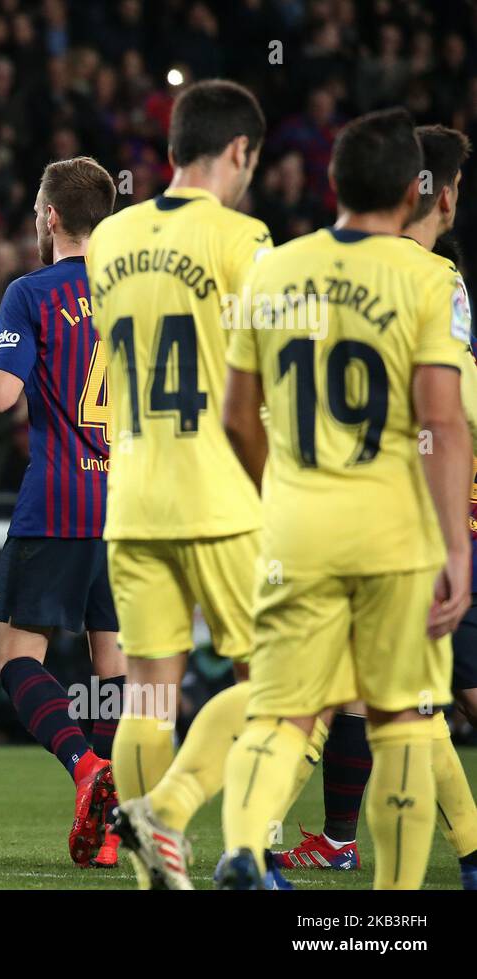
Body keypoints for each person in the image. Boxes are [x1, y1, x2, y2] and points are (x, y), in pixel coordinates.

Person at [218, 108, 471, 891]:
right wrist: (455, 544)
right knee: (404, 709)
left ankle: (246, 845)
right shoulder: (431, 278)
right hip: (399, 523)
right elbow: (446, 414)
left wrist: (280, 490)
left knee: (296, 705)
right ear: (421, 192)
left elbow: (236, 414)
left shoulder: (275, 267)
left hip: (297, 523)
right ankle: (397, 902)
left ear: (331, 183)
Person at [85, 79, 277, 889]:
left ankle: (151, 868)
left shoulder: (108, 239)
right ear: (239, 152)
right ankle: (235, 843)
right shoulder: (246, 239)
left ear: (171, 151)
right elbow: (254, 391)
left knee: (150, 694)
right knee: (277, 683)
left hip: (132, 497)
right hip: (221, 493)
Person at [0, 156, 124, 868]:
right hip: (132, 505)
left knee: (14, 654)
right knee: (111, 659)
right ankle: (111, 831)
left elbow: (1, 396)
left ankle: (87, 767)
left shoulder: (32, 291)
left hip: (60, 497)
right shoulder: (138, 292)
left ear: (50, 216)